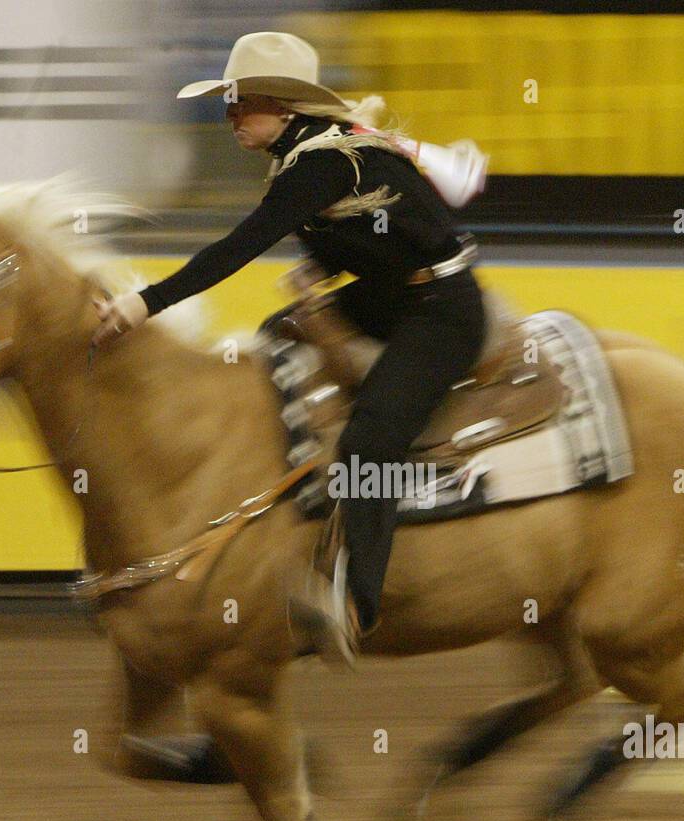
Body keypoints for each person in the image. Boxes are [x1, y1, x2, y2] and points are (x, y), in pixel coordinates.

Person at [93, 31, 487, 666]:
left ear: (282, 106)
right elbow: (377, 232)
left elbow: (239, 246)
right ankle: (292, 491)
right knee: (280, 333)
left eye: (239, 102)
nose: (227, 116)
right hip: (395, 296)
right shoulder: (310, 156)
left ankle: (359, 603)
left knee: (370, 441)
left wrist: (147, 302)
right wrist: (320, 276)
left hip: (441, 313)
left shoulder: (324, 163)